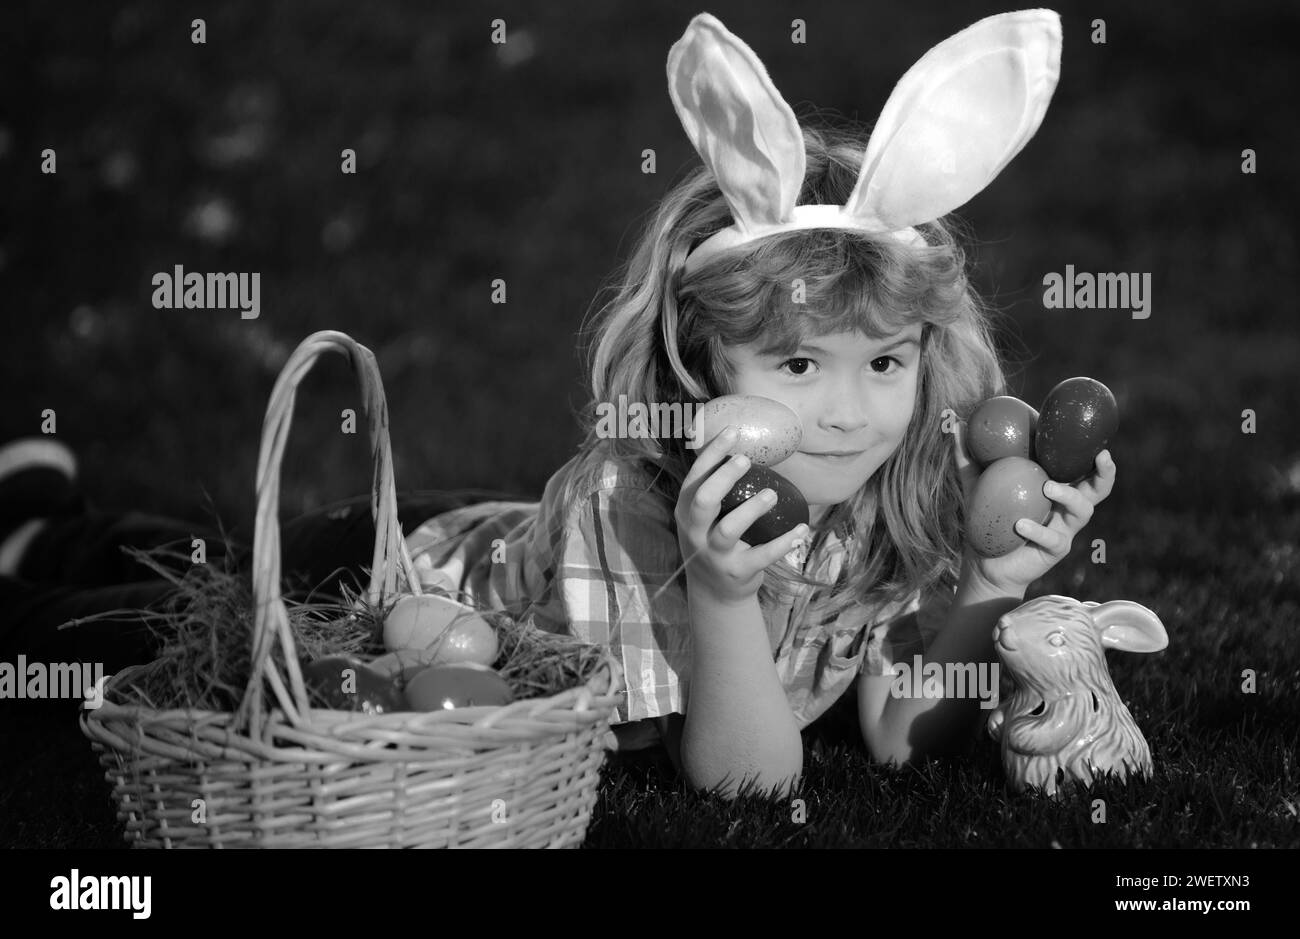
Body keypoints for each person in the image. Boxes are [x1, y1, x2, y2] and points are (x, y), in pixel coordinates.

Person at [2, 11, 1115, 800]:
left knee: (186, 560)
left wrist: (991, 581)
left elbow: (894, 742)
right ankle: (49, 540)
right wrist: (724, 595)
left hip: (484, 531)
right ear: (701, 359)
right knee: (160, 615)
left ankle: (41, 519)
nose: (844, 414)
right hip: (381, 576)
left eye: (883, 366)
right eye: (794, 367)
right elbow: (745, 783)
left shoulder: (904, 487)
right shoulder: (635, 511)